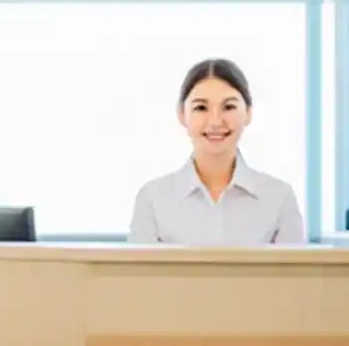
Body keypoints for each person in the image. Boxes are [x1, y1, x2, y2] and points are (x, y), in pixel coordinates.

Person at [128, 58, 306, 245]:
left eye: (228, 107)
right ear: (182, 115)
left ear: (248, 113)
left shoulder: (279, 198)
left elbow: (294, 273)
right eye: (201, 108)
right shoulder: (153, 199)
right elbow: (138, 274)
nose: (215, 121)